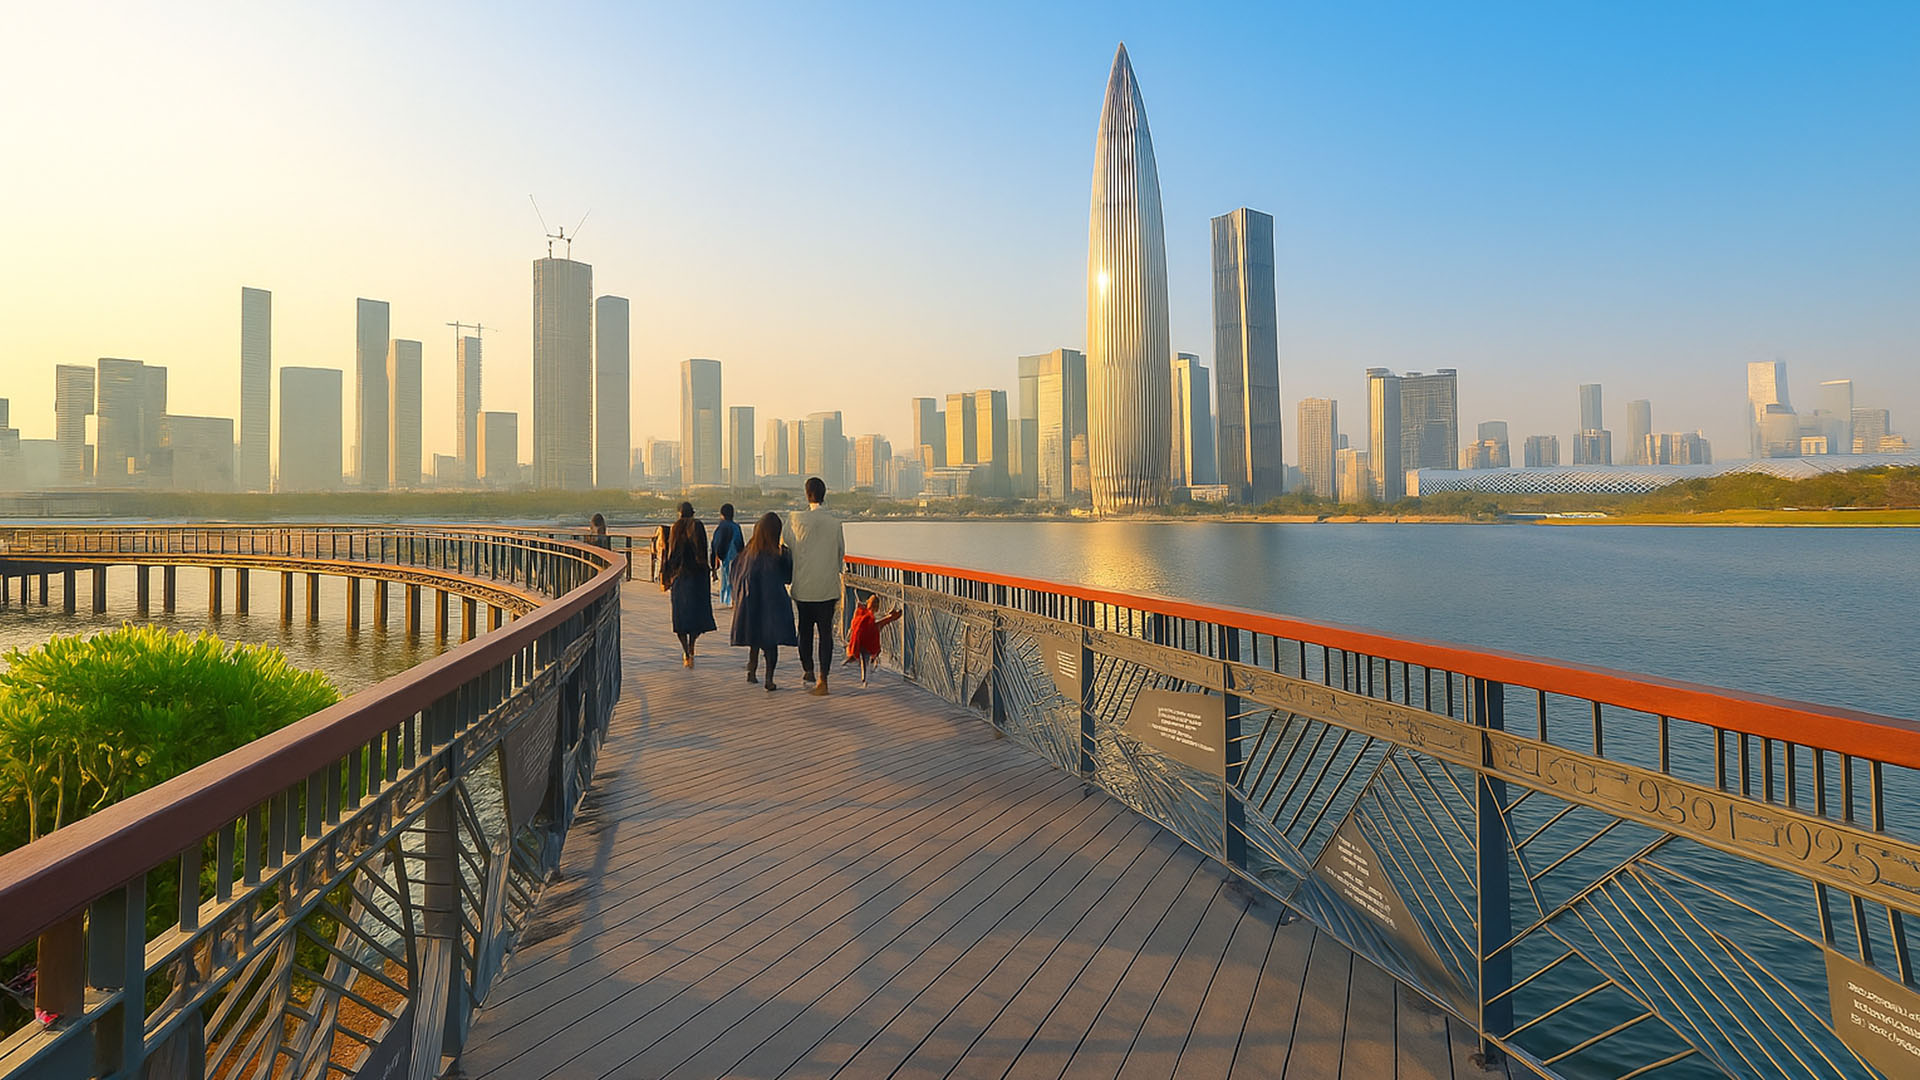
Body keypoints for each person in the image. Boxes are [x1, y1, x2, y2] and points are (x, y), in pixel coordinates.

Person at [786, 476, 845, 696]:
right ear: (824, 494)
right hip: (827, 587)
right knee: (825, 633)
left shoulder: (794, 520)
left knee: (805, 629)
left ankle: (808, 669)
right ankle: (824, 678)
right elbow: (840, 555)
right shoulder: (834, 523)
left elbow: (787, 547)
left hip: (803, 585)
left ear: (806, 493)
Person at [729, 512, 797, 690]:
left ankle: (751, 671)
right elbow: (787, 578)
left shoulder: (747, 553)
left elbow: (734, 574)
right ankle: (769, 679)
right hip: (772, 603)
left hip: (750, 603)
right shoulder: (778, 554)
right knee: (770, 643)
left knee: (755, 639)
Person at [660, 502, 716, 666]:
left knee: (681, 617)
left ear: (679, 513)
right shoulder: (698, 525)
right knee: (697, 616)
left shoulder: (675, 528)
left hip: (680, 576)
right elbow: (703, 552)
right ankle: (692, 647)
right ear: (692, 513)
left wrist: (667, 576)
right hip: (698, 577)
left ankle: (686, 652)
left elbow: (670, 554)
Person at [844, 593, 903, 686]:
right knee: (865, 657)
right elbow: (879, 624)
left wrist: (889, 617)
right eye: (874, 603)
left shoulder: (862, 612)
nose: (874, 605)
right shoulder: (864, 613)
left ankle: (864, 676)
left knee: (864, 658)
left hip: (864, 640)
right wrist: (890, 617)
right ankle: (865, 676)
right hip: (868, 641)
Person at [709, 503, 745, 606]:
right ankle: (733, 599)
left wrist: (713, 565)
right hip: (736, 557)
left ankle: (727, 600)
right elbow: (740, 544)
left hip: (723, 557)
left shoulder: (720, 528)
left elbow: (714, 545)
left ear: (722, 514)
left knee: (725, 579)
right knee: (734, 578)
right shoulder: (736, 527)